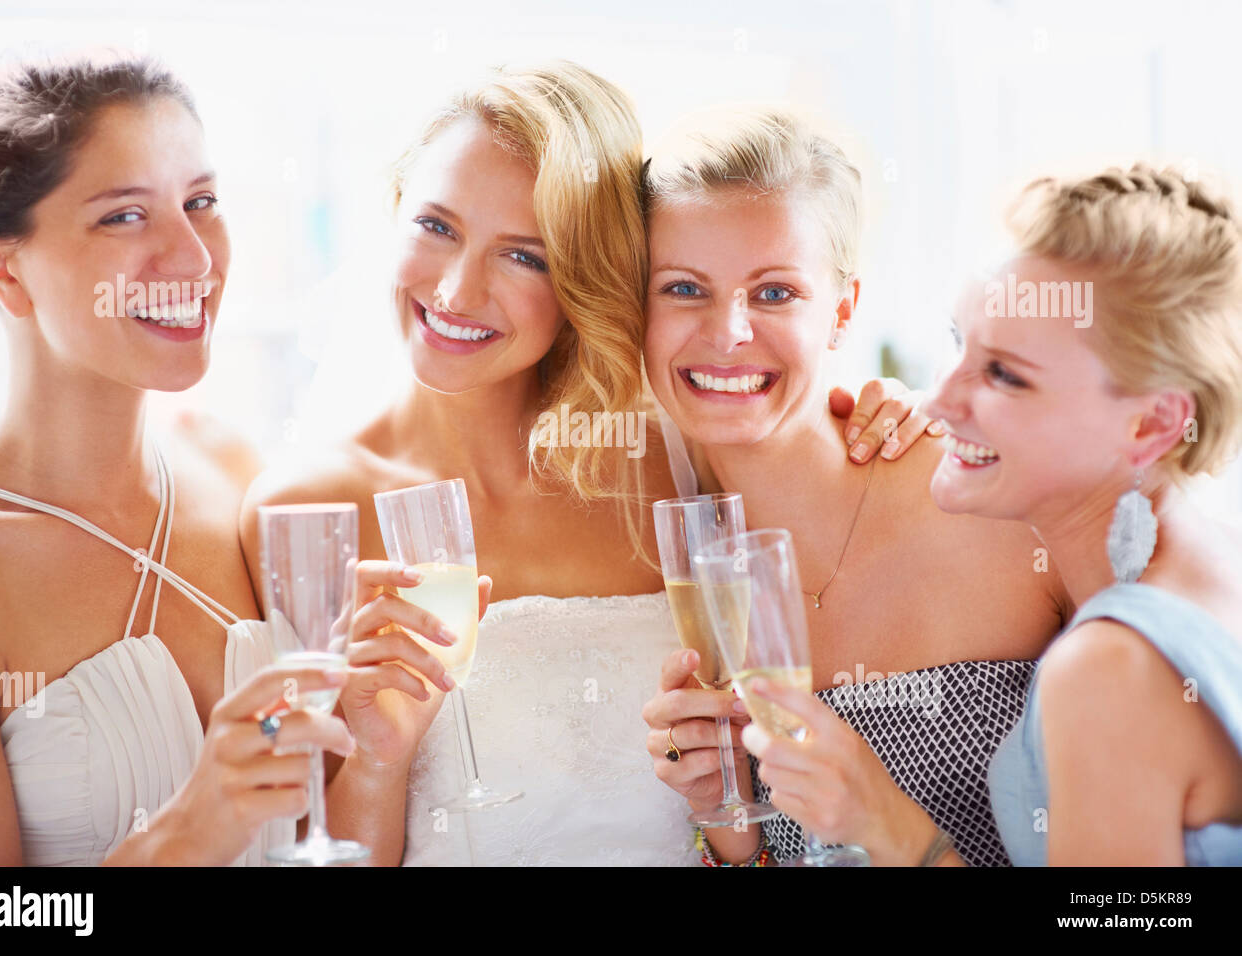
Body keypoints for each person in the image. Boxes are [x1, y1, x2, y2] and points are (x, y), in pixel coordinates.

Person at [242, 64, 925, 865]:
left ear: (584, 278)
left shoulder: (672, 459)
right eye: (436, 225)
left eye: (524, 257)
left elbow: (738, 810)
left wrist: (899, 402)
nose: (458, 291)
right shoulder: (306, 512)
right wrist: (379, 759)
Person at [0, 53, 448, 866]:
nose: (195, 259)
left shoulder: (239, 478)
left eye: (201, 203)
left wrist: (378, 757)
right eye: (124, 217)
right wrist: (192, 828)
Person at [745, 164, 1242, 865]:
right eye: (958, 345)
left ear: (1152, 425)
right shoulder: (1212, 558)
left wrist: (890, 826)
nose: (938, 400)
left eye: (1006, 374)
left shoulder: (1108, 671)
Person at [639, 105, 1074, 866]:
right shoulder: (678, 566)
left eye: (774, 292)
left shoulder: (997, 499)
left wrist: (896, 831)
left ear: (841, 313)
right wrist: (728, 827)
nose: (728, 331)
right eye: (683, 288)